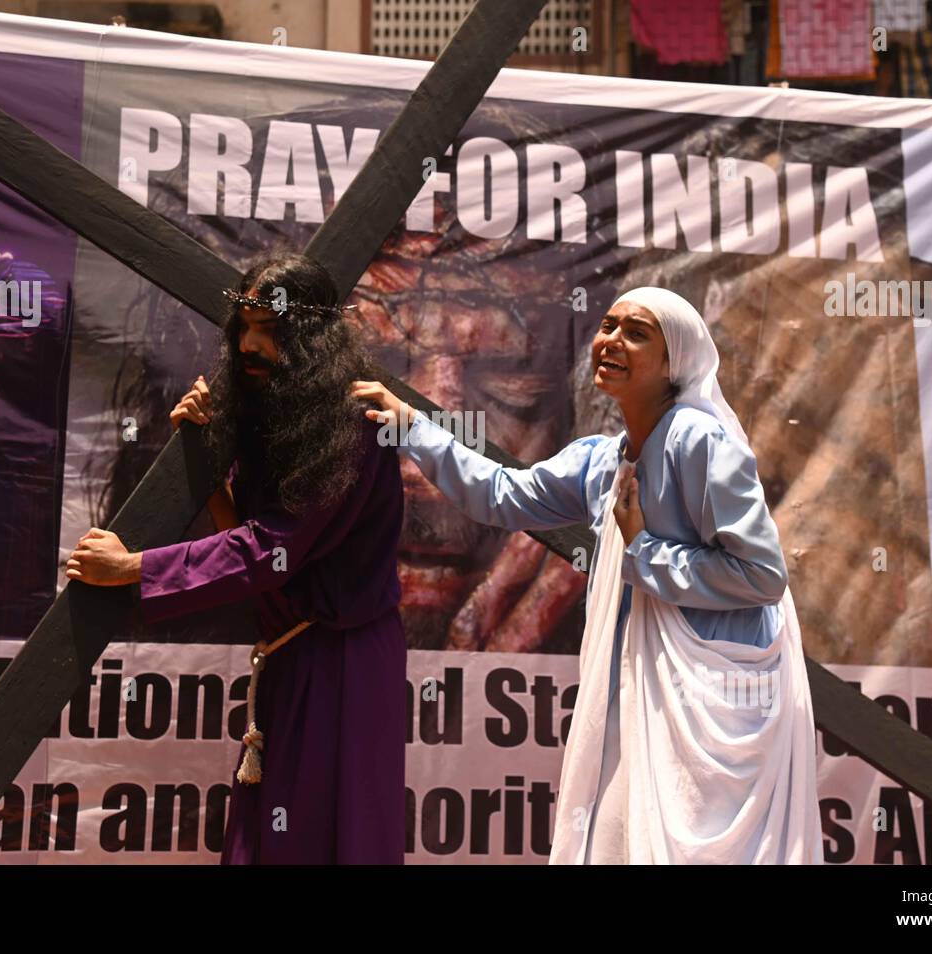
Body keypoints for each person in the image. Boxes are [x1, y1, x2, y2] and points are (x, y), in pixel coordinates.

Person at [353, 286, 822, 864]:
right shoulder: (604, 460)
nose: (611, 341)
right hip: (638, 693)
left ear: (676, 361)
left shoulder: (701, 441)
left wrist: (645, 550)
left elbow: (760, 574)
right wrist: (414, 426)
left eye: (636, 332)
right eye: (607, 326)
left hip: (713, 705)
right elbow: (503, 494)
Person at [67, 251, 407, 864]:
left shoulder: (355, 423)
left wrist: (132, 567)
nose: (249, 345)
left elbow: (266, 551)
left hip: (344, 662)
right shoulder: (283, 413)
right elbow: (255, 538)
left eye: (269, 332)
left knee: (326, 836)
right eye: (243, 327)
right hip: (292, 651)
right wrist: (202, 447)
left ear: (310, 339)